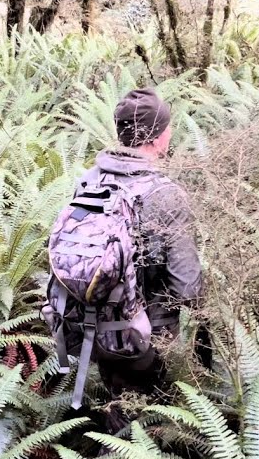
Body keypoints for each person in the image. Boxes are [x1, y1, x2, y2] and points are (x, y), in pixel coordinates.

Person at [67, 87, 209, 430]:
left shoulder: (88, 182)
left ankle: (113, 448)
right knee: (150, 422)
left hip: (91, 325)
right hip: (146, 337)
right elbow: (187, 287)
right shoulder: (164, 194)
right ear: (158, 138)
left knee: (120, 404)